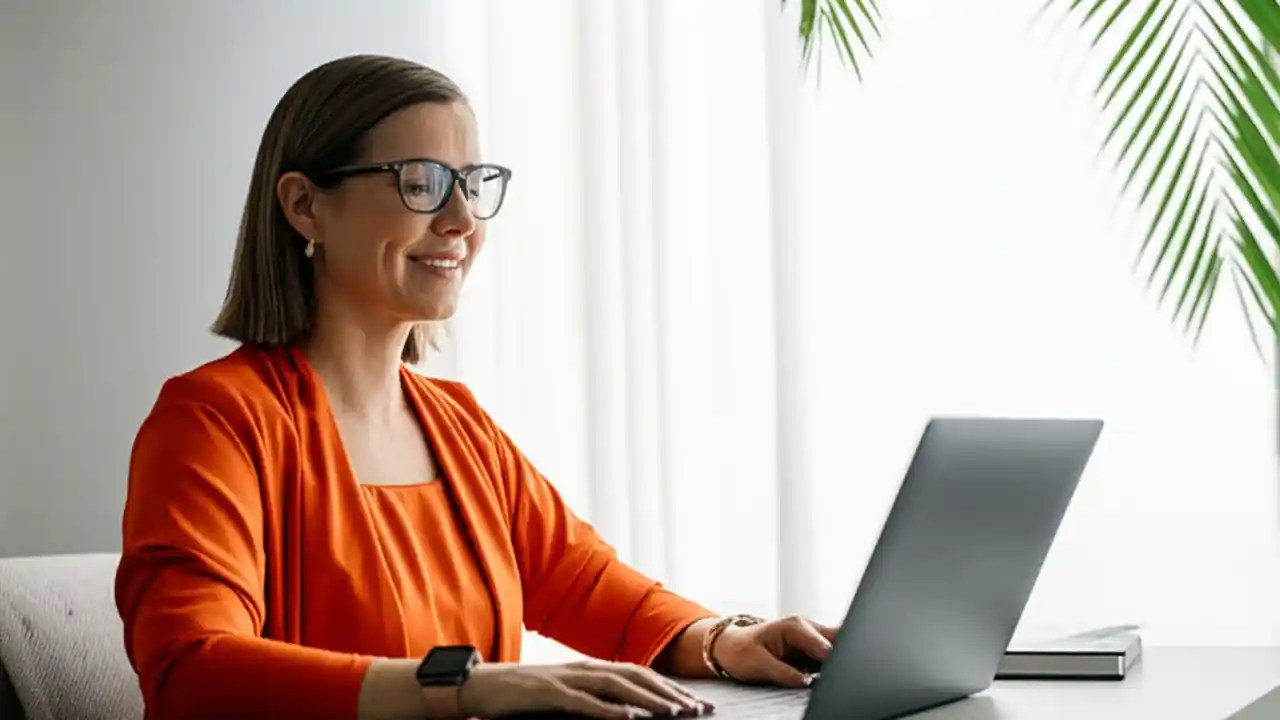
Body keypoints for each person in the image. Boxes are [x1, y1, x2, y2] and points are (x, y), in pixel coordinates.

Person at [115, 54, 836, 720]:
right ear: (306, 206)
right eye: (421, 183)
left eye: (472, 183)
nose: (461, 221)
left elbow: (587, 586)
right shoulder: (214, 421)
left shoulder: (457, 424)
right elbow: (190, 673)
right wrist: (462, 685)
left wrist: (721, 639)